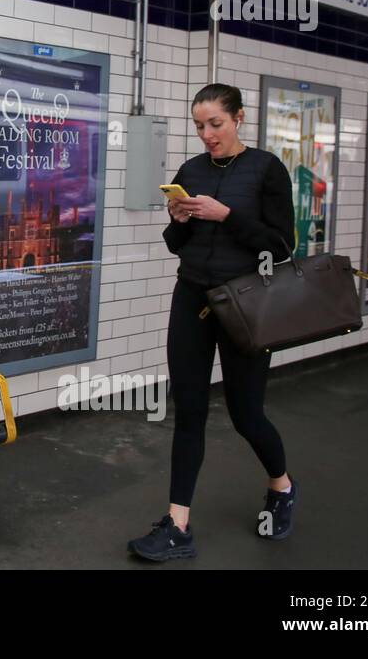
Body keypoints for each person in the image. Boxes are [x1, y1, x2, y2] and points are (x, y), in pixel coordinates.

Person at [127, 84, 298, 562]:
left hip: (245, 302)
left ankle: (282, 487)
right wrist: (179, 217)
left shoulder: (266, 169)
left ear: (239, 118)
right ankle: (178, 524)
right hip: (192, 300)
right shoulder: (192, 170)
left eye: (215, 124)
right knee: (190, 412)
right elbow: (175, 244)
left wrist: (227, 216)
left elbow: (281, 247)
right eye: (200, 126)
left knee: (247, 415)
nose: (207, 135)